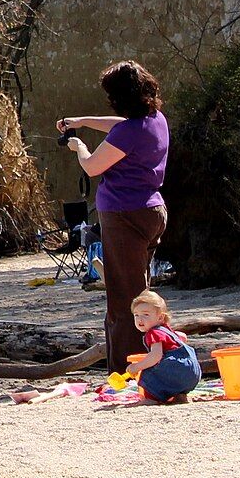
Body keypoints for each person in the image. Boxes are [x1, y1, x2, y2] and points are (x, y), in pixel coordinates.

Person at [59, 59, 170, 372]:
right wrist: (82, 120)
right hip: (152, 211)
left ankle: (126, 370)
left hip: (124, 215)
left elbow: (93, 166)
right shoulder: (154, 119)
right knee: (142, 294)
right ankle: (153, 358)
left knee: (125, 301)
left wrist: (79, 145)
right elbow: (118, 125)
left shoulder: (129, 132)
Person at [121, 290, 202, 404]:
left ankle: (151, 399)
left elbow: (155, 356)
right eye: (136, 315)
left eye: (146, 314)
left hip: (177, 370)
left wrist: (137, 366)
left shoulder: (153, 333)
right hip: (193, 373)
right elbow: (182, 337)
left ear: (160, 318)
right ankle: (180, 396)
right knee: (168, 370)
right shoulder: (166, 330)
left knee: (148, 372)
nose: (140, 319)